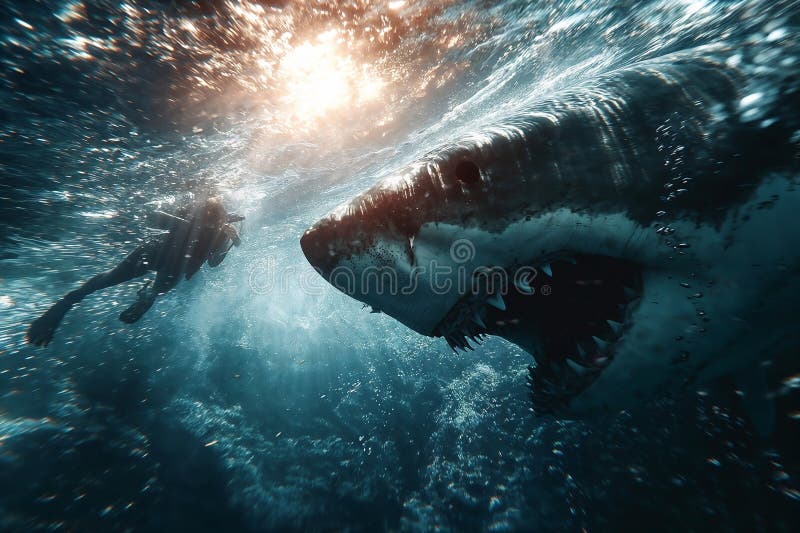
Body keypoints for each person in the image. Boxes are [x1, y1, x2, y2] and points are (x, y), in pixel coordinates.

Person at [26, 196, 243, 346]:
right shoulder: (190, 221)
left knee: (161, 287)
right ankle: (63, 306)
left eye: (214, 221)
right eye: (207, 220)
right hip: (155, 252)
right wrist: (182, 223)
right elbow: (150, 216)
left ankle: (147, 296)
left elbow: (213, 263)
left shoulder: (222, 233)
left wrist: (230, 242)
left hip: (173, 266)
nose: (209, 226)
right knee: (109, 279)